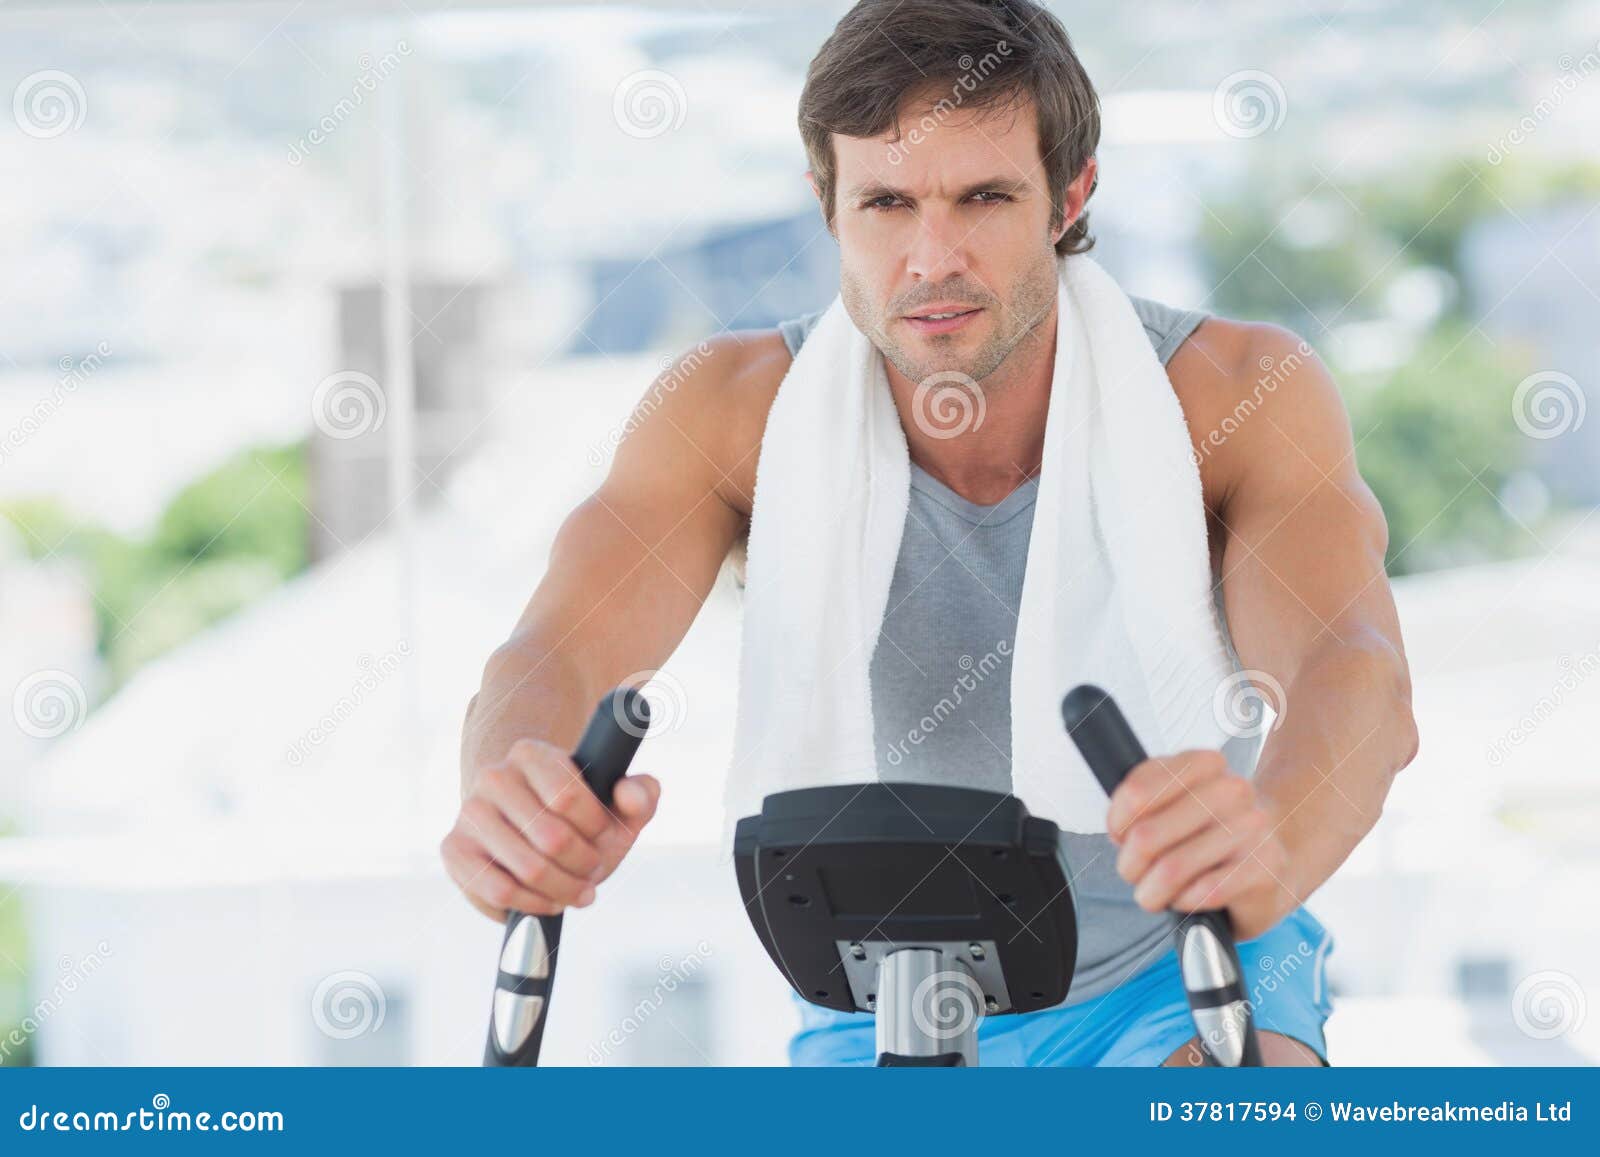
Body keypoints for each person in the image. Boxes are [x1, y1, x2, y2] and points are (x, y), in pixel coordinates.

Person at [443, 0, 1418, 1067]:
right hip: (874, 980)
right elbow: (553, 651)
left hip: (1176, 962)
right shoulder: (724, 410)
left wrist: (1272, 833)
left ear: (1072, 192)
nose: (930, 257)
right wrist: (516, 783)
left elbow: (1351, 670)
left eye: (984, 196)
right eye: (887, 204)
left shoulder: (1236, 394)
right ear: (827, 205)